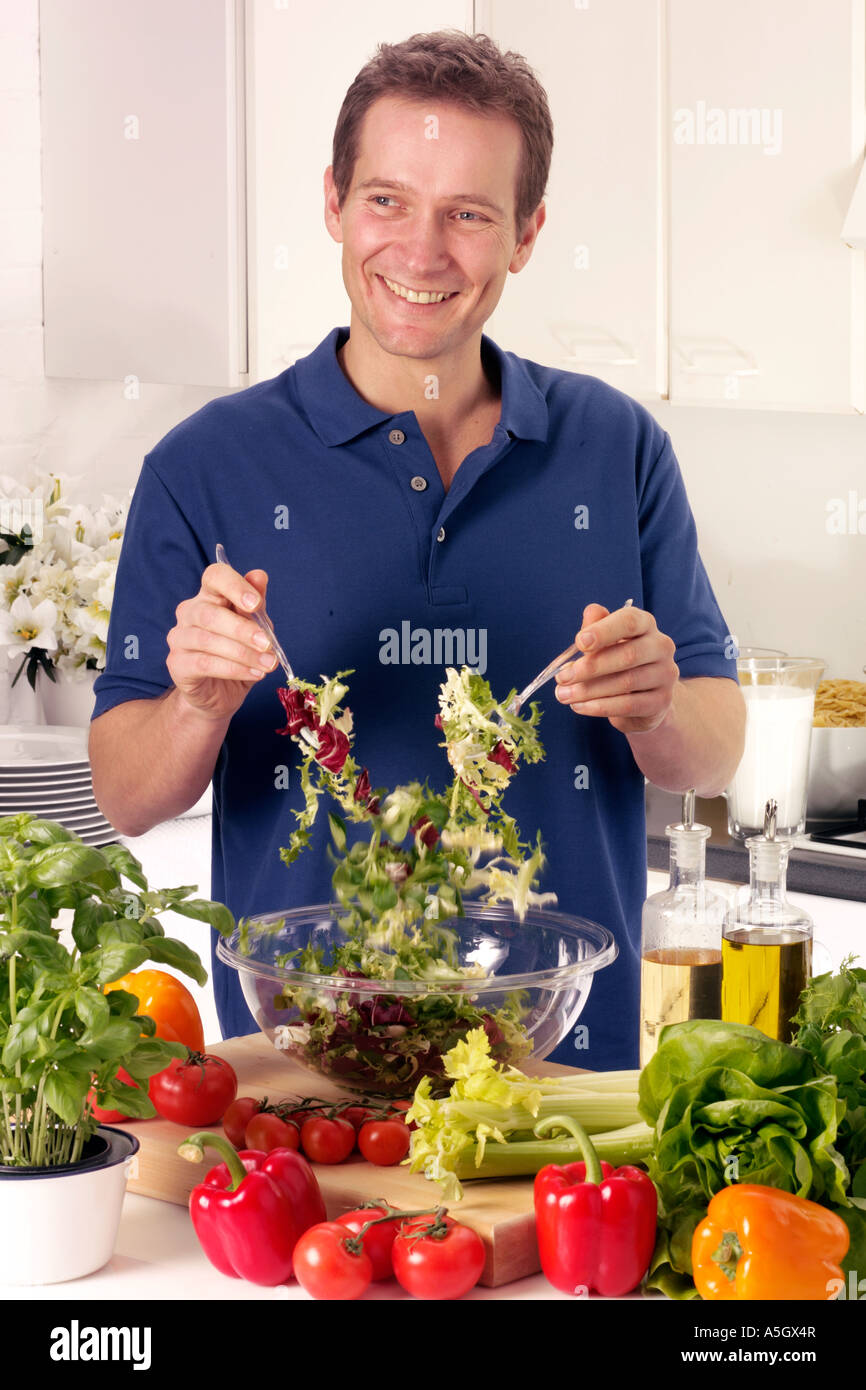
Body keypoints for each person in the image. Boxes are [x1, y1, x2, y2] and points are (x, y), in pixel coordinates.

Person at [89, 30, 745, 1071]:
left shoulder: (613, 448)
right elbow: (126, 796)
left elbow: (712, 749)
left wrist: (657, 706)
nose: (421, 250)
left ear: (526, 232)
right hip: (301, 1065)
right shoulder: (204, 463)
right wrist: (195, 706)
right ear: (333, 204)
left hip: (568, 1066)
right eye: (387, 199)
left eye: (469, 214)